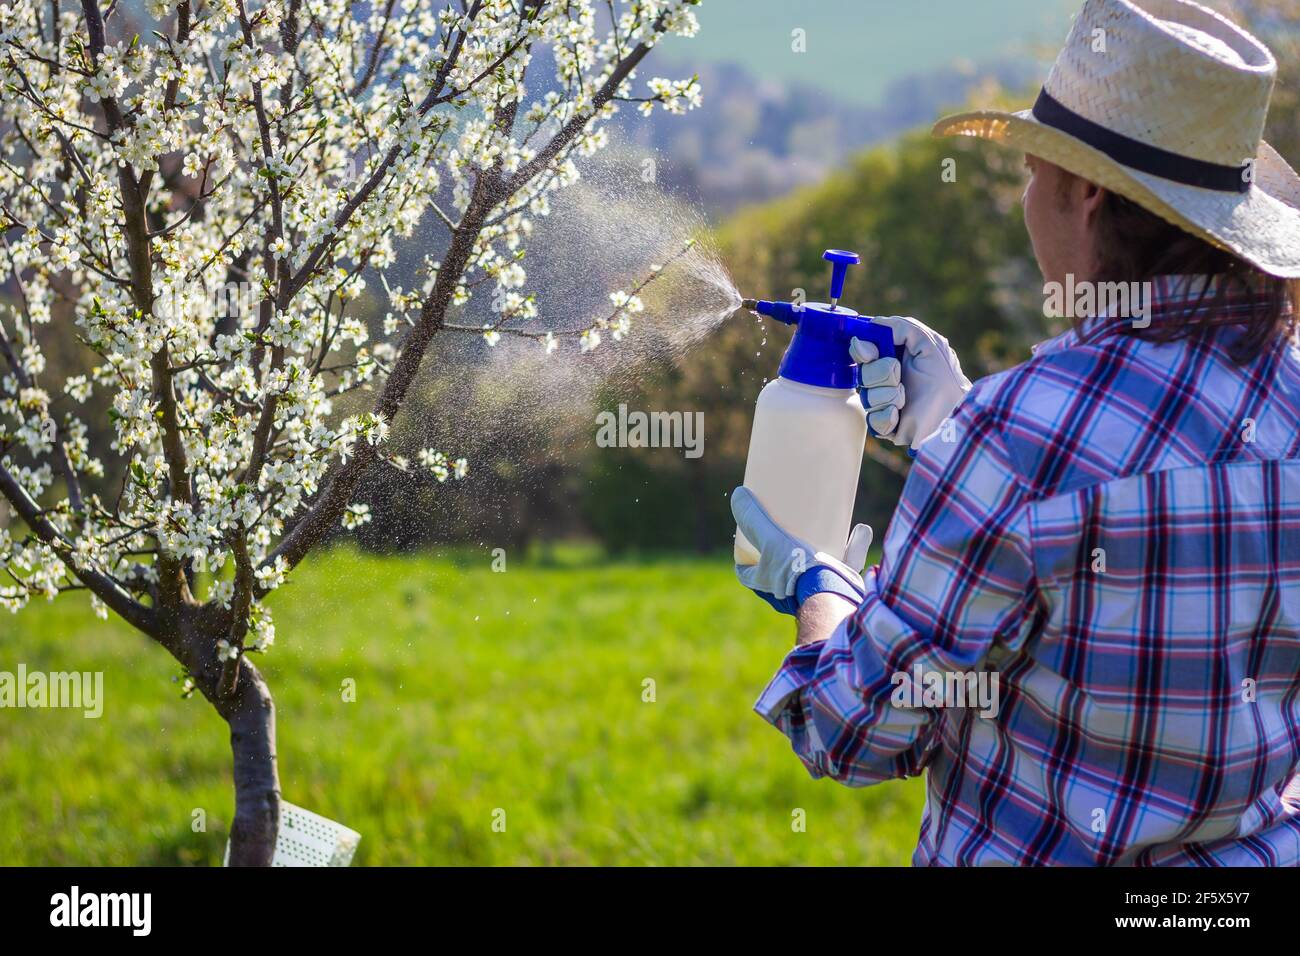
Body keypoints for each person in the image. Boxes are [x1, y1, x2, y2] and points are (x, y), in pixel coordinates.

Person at [733, 0, 1300, 865]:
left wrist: (822, 587)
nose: (1026, 198)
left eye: (1035, 172)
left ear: (1088, 194)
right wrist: (964, 428)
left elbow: (855, 729)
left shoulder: (1015, 435)